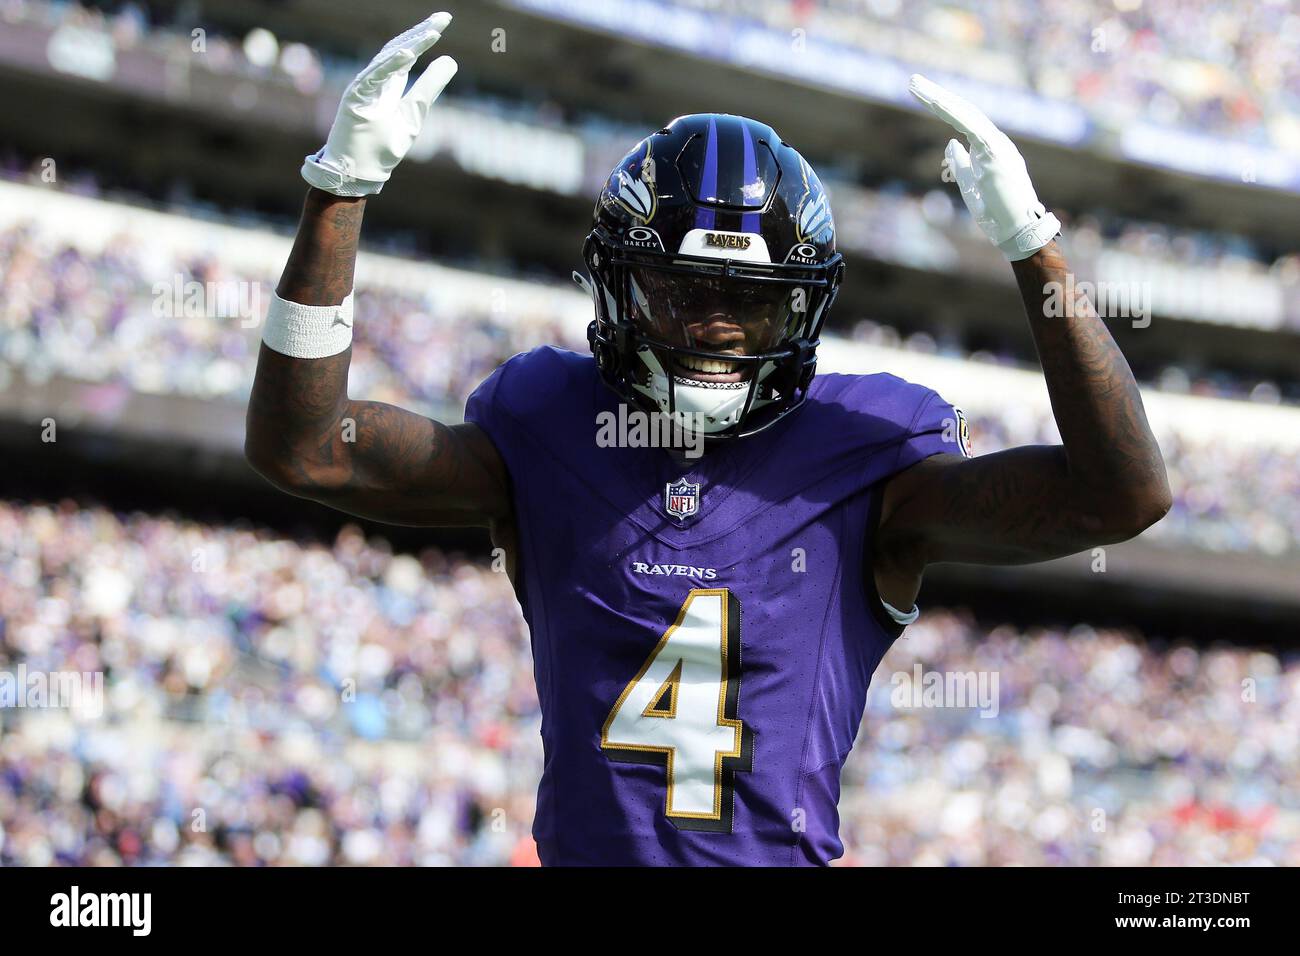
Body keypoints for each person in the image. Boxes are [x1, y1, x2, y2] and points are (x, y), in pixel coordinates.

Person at [245, 13, 1171, 865]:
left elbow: (1121, 494)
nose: (721, 326)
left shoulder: (868, 454)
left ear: (804, 309)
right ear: (619, 286)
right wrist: (338, 193)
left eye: (755, 302)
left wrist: (1036, 249)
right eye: (686, 292)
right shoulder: (548, 421)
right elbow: (307, 448)